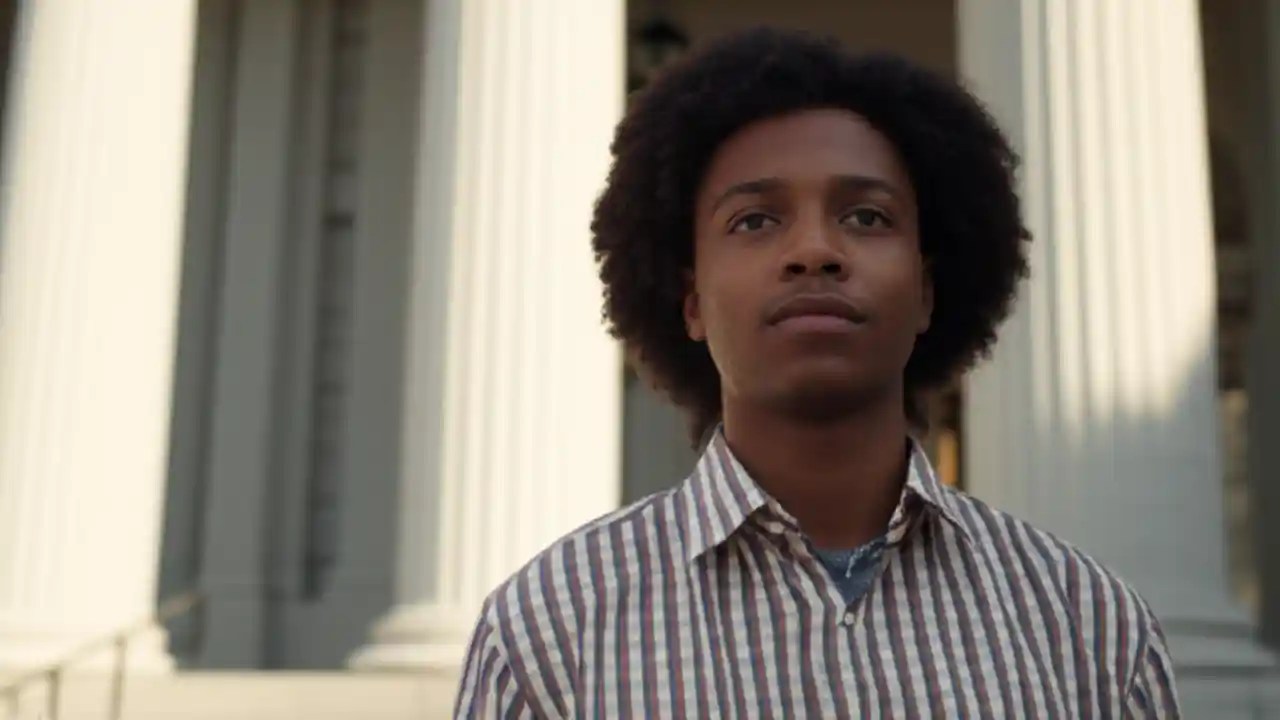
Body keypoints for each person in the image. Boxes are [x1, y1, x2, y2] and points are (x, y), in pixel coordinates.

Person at [454, 27, 1180, 718]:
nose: (814, 251)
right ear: (692, 301)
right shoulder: (549, 633)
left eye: (865, 217)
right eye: (755, 221)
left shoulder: (1091, 629)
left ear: (927, 291)